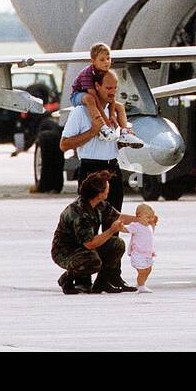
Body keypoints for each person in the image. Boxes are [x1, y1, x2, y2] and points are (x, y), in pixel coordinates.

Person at [51, 171, 138, 294]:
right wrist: (111, 230)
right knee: (92, 261)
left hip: (83, 247)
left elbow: (118, 217)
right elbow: (89, 244)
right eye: (106, 187)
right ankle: (67, 278)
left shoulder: (98, 204)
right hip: (66, 251)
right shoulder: (79, 213)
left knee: (117, 244)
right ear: (99, 193)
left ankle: (102, 283)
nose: (109, 188)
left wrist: (141, 220)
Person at [61, 68, 127, 213]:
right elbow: (64, 145)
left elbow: (113, 145)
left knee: (114, 221)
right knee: (89, 221)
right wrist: (92, 132)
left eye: (115, 88)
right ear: (97, 86)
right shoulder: (80, 112)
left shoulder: (116, 111)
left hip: (113, 169)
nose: (113, 92)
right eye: (108, 88)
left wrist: (123, 140)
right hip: (90, 171)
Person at [70, 43, 133, 140]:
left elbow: (111, 95)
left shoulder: (106, 73)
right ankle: (103, 129)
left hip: (95, 96)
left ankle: (125, 133)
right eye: (102, 60)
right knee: (90, 99)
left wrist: (112, 114)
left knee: (119, 106)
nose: (106, 62)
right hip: (78, 95)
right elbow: (94, 96)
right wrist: (105, 119)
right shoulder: (87, 74)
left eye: (108, 58)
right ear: (93, 61)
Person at [126, 203, 158, 293]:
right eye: (148, 217)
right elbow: (126, 229)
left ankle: (141, 283)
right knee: (142, 271)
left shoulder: (148, 226)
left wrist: (153, 223)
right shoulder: (135, 226)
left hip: (148, 253)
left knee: (148, 269)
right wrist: (120, 227)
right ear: (139, 217)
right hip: (138, 253)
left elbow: (149, 235)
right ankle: (141, 286)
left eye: (151, 217)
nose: (150, 219)